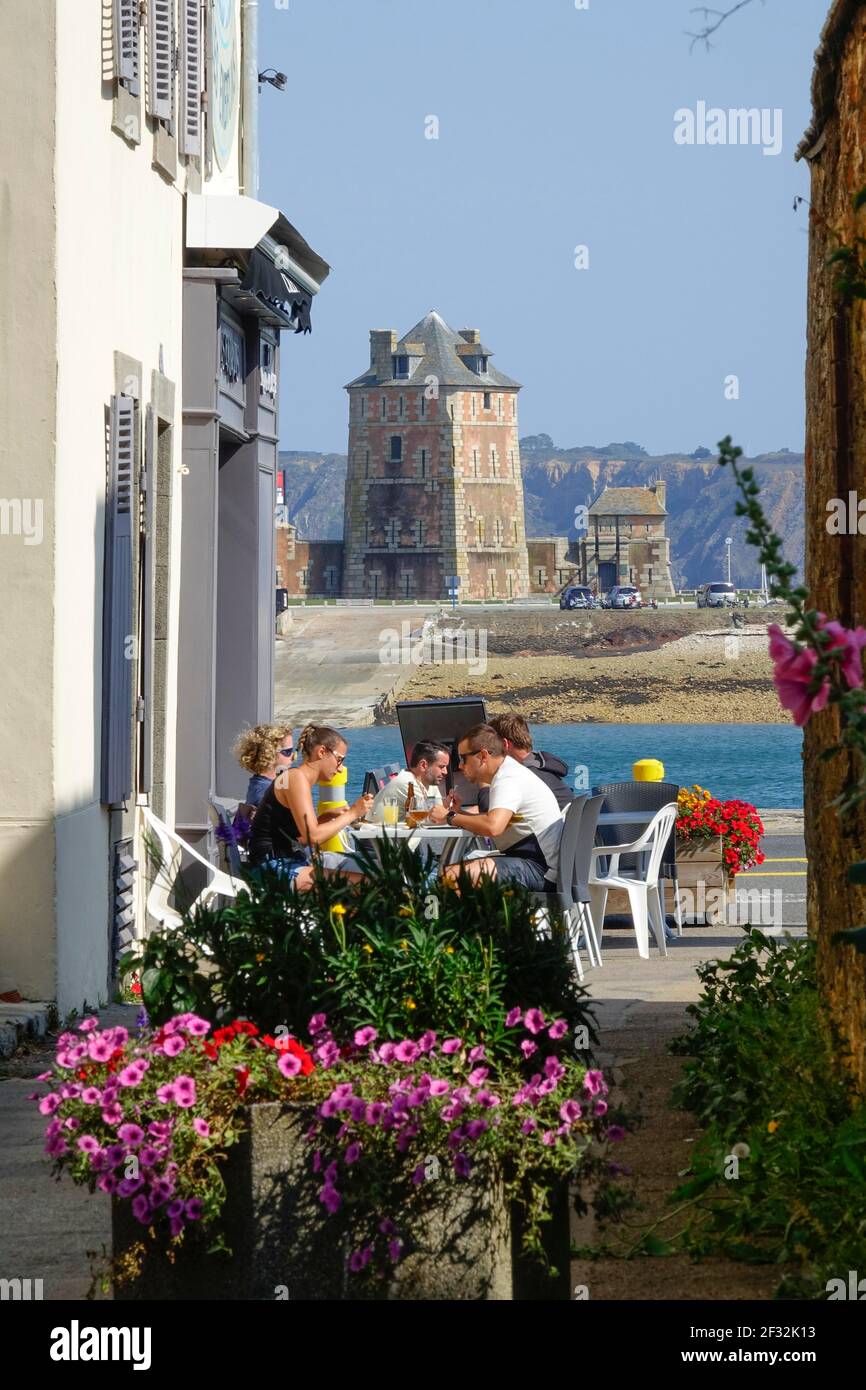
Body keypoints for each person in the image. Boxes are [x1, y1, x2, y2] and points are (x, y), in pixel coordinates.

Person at [427, 724, 562, 892]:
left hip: (540, 871)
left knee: (452, 877)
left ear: (483, 755)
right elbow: (492, 820)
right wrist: (457, 813)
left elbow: (493, 826)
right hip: (539, 864)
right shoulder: (509, 772)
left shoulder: (508, 778)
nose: (460, 766)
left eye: (463, 758)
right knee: (450, 873)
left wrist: (450, 816)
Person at [248, 724, 374, 890]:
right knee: (368, 884)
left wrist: (326, 816)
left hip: (283, 862)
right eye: (339, 759)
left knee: (371, 876)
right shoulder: (295, 778)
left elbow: (297, 835)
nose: (341, 768)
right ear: (321, 752)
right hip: (273, 868)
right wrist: (352, 813)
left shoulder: (296, 778)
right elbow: (312, 837)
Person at [475, 714, 572, 811]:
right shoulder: (540, 765)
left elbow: (490, 815)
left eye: (491, 747)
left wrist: (484, 784)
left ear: (505, 744)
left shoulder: (522, 775)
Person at [368, 740, 451, 821]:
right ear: (423, 765)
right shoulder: (407, 783)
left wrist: (450, 807)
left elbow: (439, 813)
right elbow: (433, 820)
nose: (445, 772)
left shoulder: (429, 780)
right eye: (441, 767)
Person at [234, 723, 296, 815]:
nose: (293, 756)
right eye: (288, 751)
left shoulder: (258, 783)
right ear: (269, 754)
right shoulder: (266, 792)